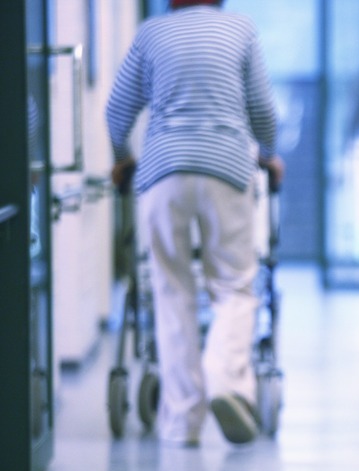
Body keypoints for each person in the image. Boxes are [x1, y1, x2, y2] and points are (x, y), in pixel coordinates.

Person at [105, 0, 284, 446]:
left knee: (171, 292)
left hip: (163, 173)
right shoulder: (240, 30)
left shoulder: (151, 33)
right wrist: (267, 152)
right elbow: (263, 111)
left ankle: (183, 419)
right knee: (234, 286)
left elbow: (115, 112)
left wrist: (122, 160)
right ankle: (224, 381)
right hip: (225, 169)